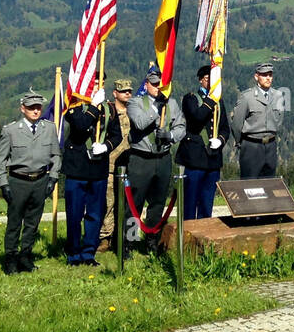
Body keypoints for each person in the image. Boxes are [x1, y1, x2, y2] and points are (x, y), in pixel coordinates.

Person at [0, 89, 61, 275]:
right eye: (31, 107)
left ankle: (25, 256)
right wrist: (3, 183)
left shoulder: (49, 128)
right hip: (18, 181)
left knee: (33, 222)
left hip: (40, 180)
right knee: (14, 222)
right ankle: (11, 259)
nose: (36, 111)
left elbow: (56, 155)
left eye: (38, 107)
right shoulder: (11, 130)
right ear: (22, 108)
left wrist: (53, 176)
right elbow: (0, 161)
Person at [126, 62, 185, 251]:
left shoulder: (172, 104)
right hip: (141, 159)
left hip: (163, 158)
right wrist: (156, 108)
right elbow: (140, 123)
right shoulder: (135, 103)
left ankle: (152, 240)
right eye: (154, 83)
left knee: (158, 202)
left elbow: (181, 127)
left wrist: (171, 136)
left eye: (161, 84)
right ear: (146, 84)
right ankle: (129, 241)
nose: (157, 87)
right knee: (135, 202)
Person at [61, 86, 110, 266]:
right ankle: (73, 253)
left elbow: (116, 134)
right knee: (74, 214)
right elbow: (81, 126)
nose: (97, 85)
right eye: (94, 82)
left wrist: (107, 147)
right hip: (77, 169)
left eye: (100, 82)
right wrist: (94, 106)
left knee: (95, 214)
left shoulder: (108, 108)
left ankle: (89, 252)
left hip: (98, 169)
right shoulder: (73, 106)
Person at [178, 65, 232, 219]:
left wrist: (220, 140)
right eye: (208, 80)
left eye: (214, 80)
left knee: (207, 202)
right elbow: (197, 118)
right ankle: (187, 236)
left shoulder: (218, 101)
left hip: (213, 159)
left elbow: (225, 127)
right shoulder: (191, 98)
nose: (211, 83)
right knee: (190, 202)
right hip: (195, 158)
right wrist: (210, 100)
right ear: (201, 80)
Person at [97, 78, 135, 252]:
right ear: (115, 93)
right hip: (111, 165)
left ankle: (131, 237)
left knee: (132, 204)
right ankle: (106, 238)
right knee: (108, 204)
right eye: (123, 91)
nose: (127, 93)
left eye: (129, 91)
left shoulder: (135, 112)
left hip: (132, 165)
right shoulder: (108, 113)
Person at [231, 62, 285, 178]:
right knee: (250, 184)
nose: (268, 78)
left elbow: (279, 121)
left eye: (270, 75)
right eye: (264, 75)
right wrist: (241, 142)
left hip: (270, 145)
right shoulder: (247, 97)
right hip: (251, 145)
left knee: (269, 183)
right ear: (256, 77)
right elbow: (236, 123)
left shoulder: (278, 96)